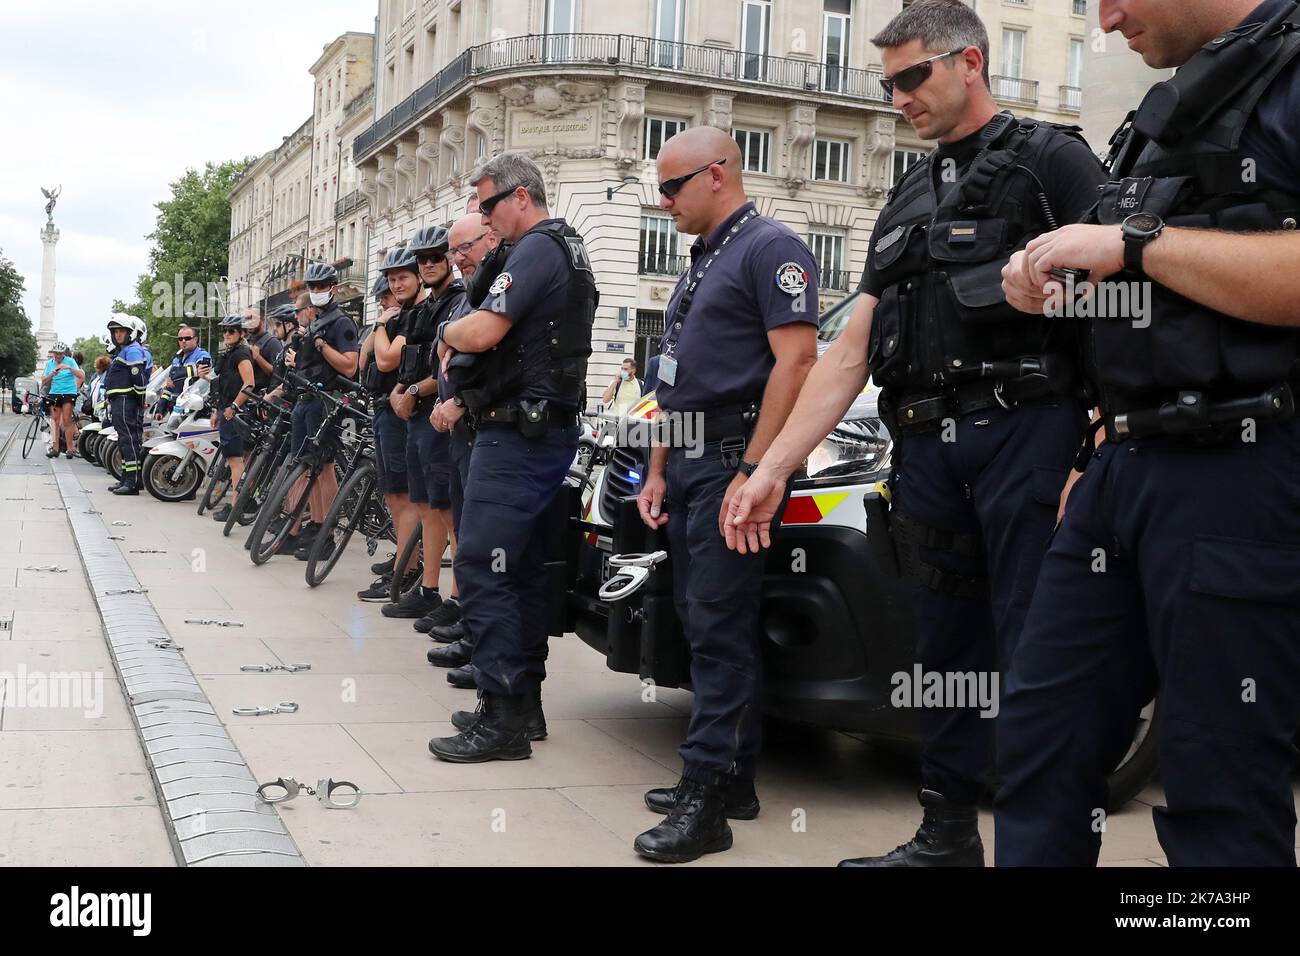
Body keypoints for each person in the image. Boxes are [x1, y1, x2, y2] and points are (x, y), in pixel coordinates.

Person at [730, 0, 1105, 867]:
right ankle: (944, 836)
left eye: (912, 77)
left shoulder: (1053, 160)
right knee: (943, 648)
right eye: (888, 82)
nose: (898, 97)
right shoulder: (909, 192)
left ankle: (1043, 851)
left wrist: (1099, 442)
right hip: (929, 452)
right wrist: (773, 466)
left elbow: (1125, 308)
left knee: (1038, 653)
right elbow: (849, 348)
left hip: (1030, 438)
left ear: (970, 61)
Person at [995, 0, 1300, 867]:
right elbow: (1160, 292)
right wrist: (1065, 283)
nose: (1107, 17)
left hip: (1245, 470)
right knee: (1040, 747)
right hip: (1122, 469)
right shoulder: (1170, 105)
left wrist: (1133, 245)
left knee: (1219, 790)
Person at [627, 127, 819, 863]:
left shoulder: (769, 248)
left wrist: (758, 467)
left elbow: (796, 361)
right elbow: (677, 377)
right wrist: (656, 468)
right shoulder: (705, 258)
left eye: (673, 187)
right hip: (693, 459)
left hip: (735, 457)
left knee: (717, 625)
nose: (664, 201)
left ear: (717, 174)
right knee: (707, 621)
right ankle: (732, 777)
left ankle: (707, 800)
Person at [426, 151, 595, 762]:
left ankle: (499, 718)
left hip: (517, 435)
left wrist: (447, 332)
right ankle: (522, 708)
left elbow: (483, 331)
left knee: (481, 565)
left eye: (489, 204)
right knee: (517, 569)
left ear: (522, 196)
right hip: (534, 431)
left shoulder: (539, 249)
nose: (485, 217)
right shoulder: (558, 248)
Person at [418, 214, 500, 651]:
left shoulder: (499, 285)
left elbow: (493, 355)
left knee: (478, 538)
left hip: (487, 425)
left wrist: (461, 398)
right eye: (452, 252)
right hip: (461, 429)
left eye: (459, 249)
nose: (455, 259)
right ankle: (471, 626)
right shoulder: (472, 291)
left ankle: (477, 634)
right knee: (465, 529)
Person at [381, 226, 466, 627]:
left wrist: (411, 389)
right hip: (418, 417)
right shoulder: (424, 308)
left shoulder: (458, 303)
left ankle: (458, 598)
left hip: (439, 417)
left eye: (436, 256)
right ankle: (429, 589)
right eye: (423, 258)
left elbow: (447, 369)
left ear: (449, 258)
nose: (429, 263)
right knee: (428, 506)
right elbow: (413, 362)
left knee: (449, 511)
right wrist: (400, 391)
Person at [280, 263, 360, 559]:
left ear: (333, 288)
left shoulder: (342, 323)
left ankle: (327, 529)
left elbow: (351, 366)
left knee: (324, 467)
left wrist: (321, 344)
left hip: (327, 399)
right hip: (306, 397)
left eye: (320, 286)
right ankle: (315, 523)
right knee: (308, 465)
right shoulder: (317, 320)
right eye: (311, 287)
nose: (315, 292)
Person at [356, 272, 420, 601]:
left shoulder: (408, 321)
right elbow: (363, 358)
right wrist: (378, 324)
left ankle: (406, 572)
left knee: (402, 494)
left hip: (397, 414)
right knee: (393, 494)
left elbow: (384, 362)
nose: (384, 299)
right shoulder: (388, 323)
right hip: (382, 409)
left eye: (386, 296)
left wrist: (381, 326)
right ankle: (404, 559)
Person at [210, 316, 257, 522]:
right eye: (225, 331)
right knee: (234, 460)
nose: (227, 334)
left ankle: (236, 506)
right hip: (226, 410)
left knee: (235, 461)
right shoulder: (229, 354)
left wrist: (234, 407)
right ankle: (241, 502)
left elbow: (249, 384)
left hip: (235, 413)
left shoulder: (241, 354)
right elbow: (221, 383)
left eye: (232, 331)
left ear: (241, 333)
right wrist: (216, 410)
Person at [103, 315, 154, 495]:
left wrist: (140, 401)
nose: (117, 335)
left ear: (129, 333)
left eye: (121, 331)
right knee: (125, 441)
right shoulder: (124, 350)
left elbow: (138, 378)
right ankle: (127, 478)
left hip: (125, 400)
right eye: (115, 331)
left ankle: (131, 482)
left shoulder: (132, 350)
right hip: (120, 400)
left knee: (129, 440)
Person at [157, 324, 211, 418]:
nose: (183, 341)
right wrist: (160, 409)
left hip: (193, 408)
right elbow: (169, 387)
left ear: (195, 339)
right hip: (175, 407)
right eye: (180, 339)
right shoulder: (176, 359)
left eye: (187, 338)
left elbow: (201, 370)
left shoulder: (202, 355)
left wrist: (176, 373)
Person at [40, 342, 83, 459]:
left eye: (60, 354)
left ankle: (70, 449)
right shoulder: (50, 364)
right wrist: (52, 374)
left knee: (67, 419)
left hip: (69, 392)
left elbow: (80, 375)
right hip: (55, 393)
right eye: (56, 354)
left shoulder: (70, 361)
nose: (58, 356)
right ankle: (55, 448)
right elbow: (43, 381)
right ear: (53, 353)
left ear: (64, 353)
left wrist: (69, 367)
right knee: (55, 421)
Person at [242, 305, 284, 393]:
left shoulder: (272, 343)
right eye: (246, 319)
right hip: (244, 393)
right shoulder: (245, 341)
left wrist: (257, 357)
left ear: (262, 320)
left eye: (252, 318)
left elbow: (277, 373)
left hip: (261, 395)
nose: (249, 322)